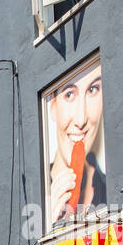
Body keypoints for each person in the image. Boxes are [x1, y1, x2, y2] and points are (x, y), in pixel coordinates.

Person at [45, 62, 106, 225]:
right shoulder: (30, 195)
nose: (81, 119)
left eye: (92, 90)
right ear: (53, 106)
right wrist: (46, 228)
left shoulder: (110, 188)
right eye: (69, 94)